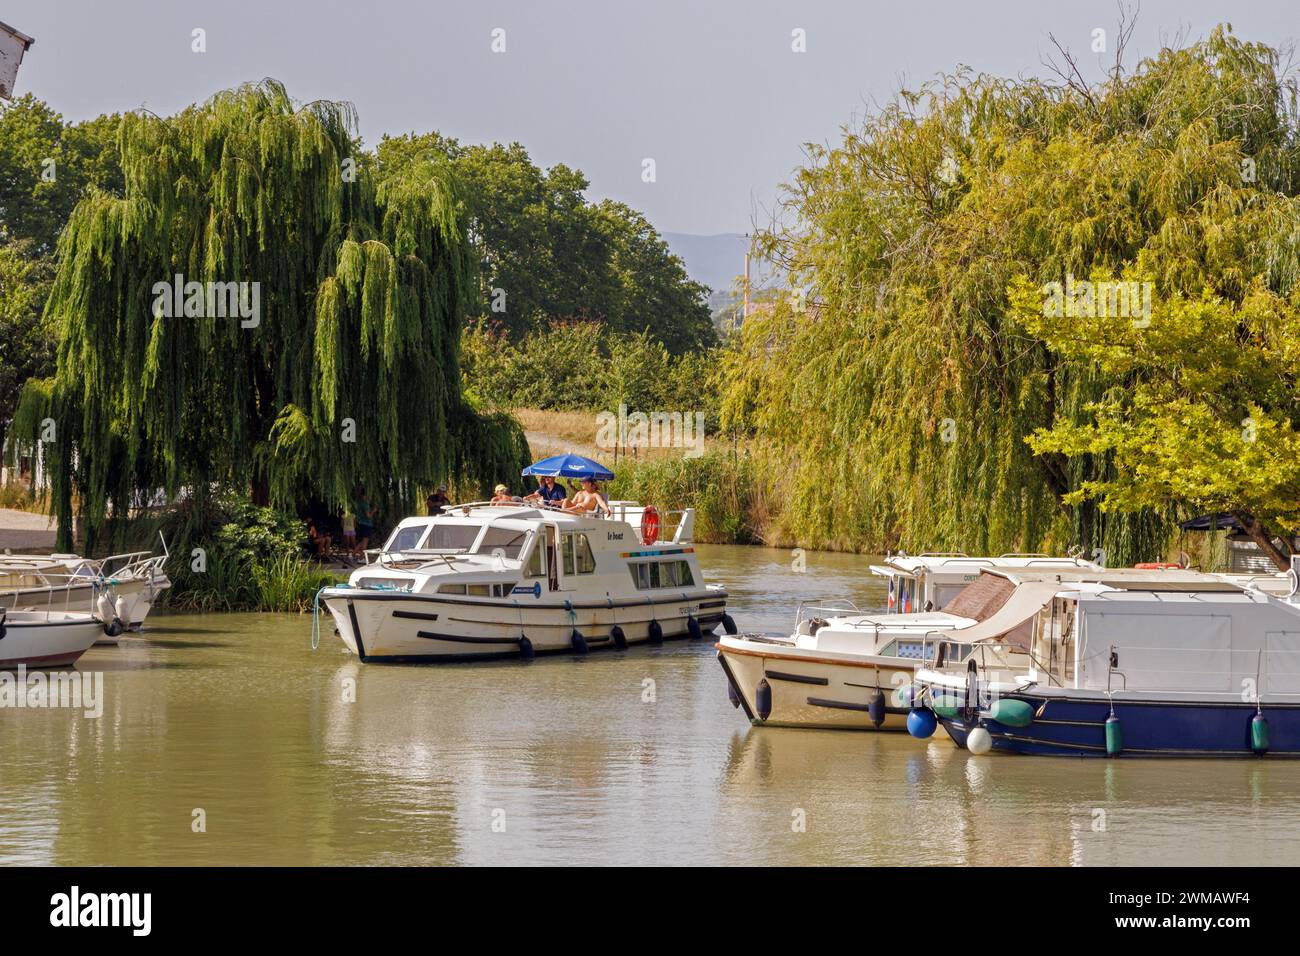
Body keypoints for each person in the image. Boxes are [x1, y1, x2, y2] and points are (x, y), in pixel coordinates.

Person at [354, 486, 377, 554]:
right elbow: (368, 516)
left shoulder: (360, 502)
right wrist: (374, 510)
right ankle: (362, 558)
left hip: (362, 524)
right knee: (365, 542)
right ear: (366, 494)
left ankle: (353, 554)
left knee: (363, 541)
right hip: (367, 524)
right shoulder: (365, 503)